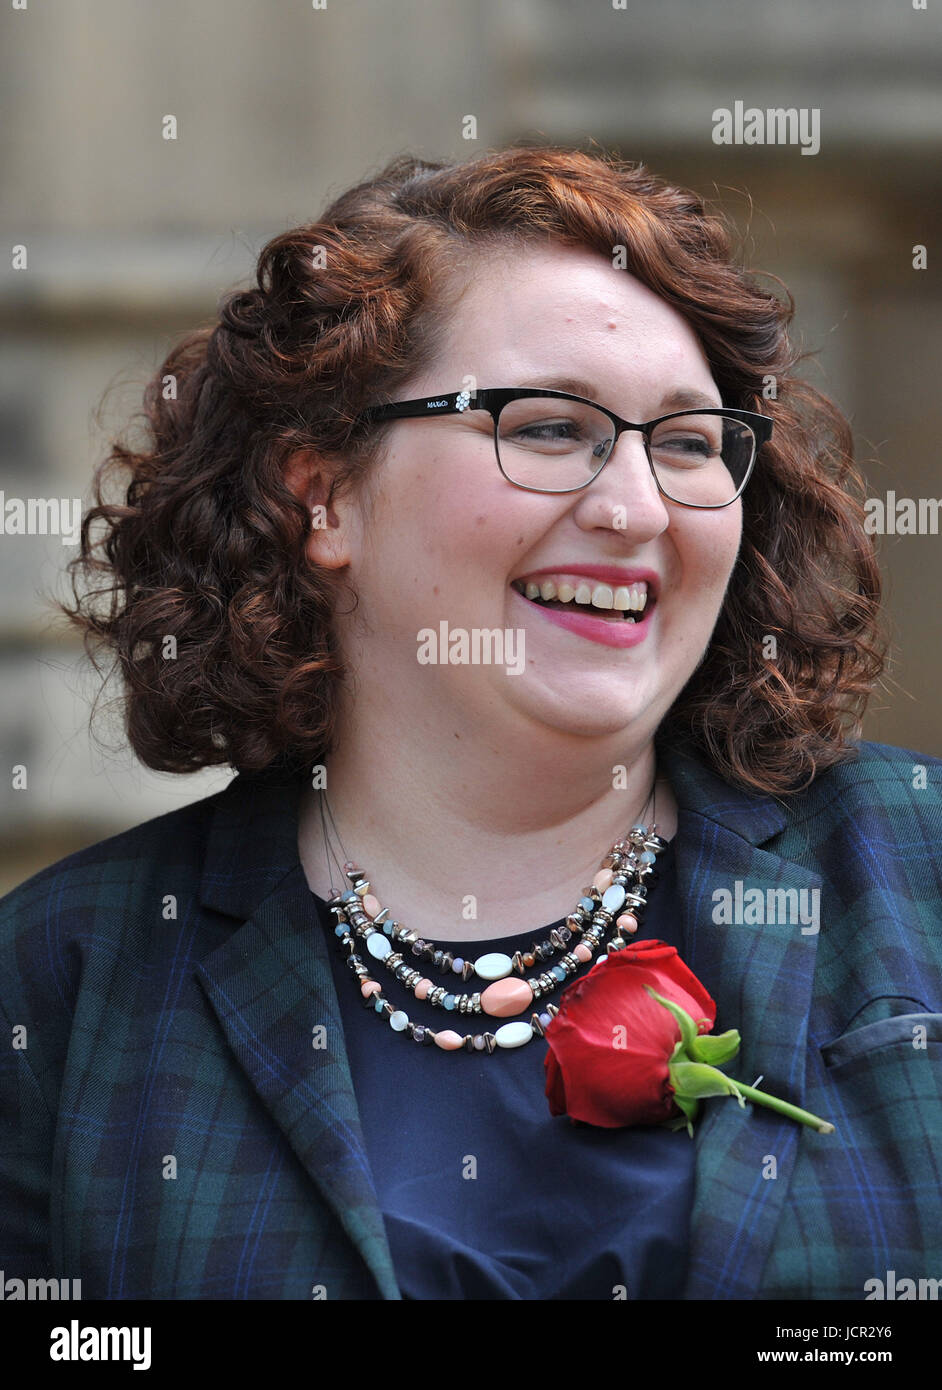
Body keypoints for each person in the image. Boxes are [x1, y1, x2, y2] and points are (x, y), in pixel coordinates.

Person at [1, 144, 939, 1302]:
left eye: (690, 442)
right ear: (324, 496)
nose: (635, 506)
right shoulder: (65, 976)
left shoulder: (918, 869)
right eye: (548, 427)